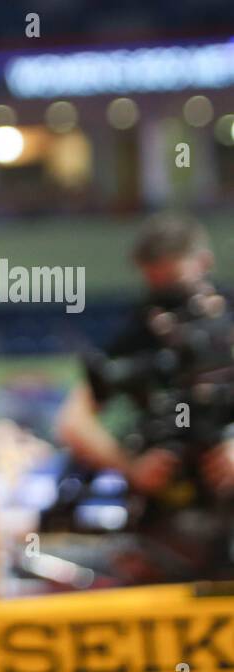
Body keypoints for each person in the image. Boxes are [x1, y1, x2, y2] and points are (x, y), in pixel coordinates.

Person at [53, 214, 234, 577]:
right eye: (155, 284)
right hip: (165, 526)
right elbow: (72, 422)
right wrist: (131, 467)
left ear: (204, 262)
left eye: (173, 281)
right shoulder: (139, 335)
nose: (165, 297)